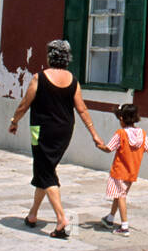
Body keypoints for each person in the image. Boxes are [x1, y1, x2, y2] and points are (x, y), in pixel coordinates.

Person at [8, 39, 103, 239]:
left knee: (46, 171)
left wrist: (14, 121)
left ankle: (61, 220)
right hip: (64, 131)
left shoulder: (39, 78)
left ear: (50, 56)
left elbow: (25, 103)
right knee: (45, 169)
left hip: (40, 131)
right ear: (67, 58)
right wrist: (94, 134)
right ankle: (32, 214)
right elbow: (82, 109)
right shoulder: (73, 80)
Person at [99, 103, 148, 236]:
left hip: (119, 170)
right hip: (132, 172)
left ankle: (124, 226)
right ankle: (110, 218)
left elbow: (109, 148)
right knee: (119, 194)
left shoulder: (121, 133)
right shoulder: (142, 133)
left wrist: (99, 145)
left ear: (121, 119)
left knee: (120, 196)